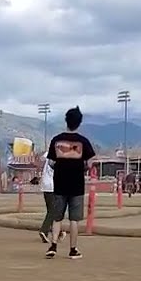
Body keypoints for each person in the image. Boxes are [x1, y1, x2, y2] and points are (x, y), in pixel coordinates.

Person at [45, 106, 96, 259]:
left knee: (57, 217)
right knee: (74, 219)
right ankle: (73, 249)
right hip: (77, 185)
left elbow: (51, 163)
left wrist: (61, 166)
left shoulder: (56, 140)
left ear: (66, 120)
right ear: (79, 123)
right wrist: (81, 167)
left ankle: (53, 246)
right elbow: (90, 163)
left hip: (59, 184)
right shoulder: (83, 141)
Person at [36, 149, 60, 243]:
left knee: (52, 210)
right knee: (53, 211)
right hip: (52, 186)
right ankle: (44, 230)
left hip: (45, 185)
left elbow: (40, 159)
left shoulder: (48, 154)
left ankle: (58, 232)